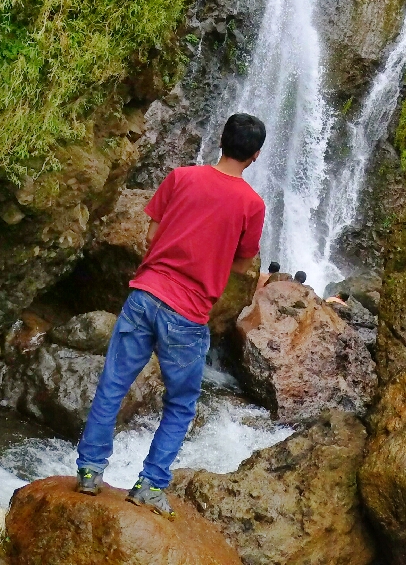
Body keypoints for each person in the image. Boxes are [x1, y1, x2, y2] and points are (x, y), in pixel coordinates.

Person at [73, 113, 267, 515]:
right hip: (188, 312)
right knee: (180, 404)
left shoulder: (180, 177)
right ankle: (149, 483)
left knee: (113, 384)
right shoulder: (252, 205)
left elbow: (150, 236)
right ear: (255, 156)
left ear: (220, 140)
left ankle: (90, 472)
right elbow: (243, 266)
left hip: (145, 294)